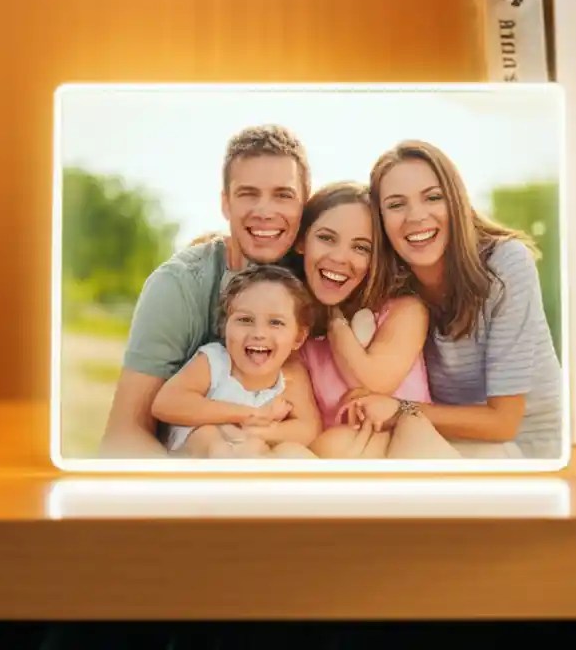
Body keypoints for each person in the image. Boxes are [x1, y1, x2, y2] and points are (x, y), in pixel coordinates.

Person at [98, 124, 320, 458]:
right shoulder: (179, 285)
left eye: (283, 195)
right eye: (248, 193)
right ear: (226, 204)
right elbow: (123, 436)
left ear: (303, 205)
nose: (264, 210)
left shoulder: (317, 278)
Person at [337, 140, 563, 459]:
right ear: (380, 219)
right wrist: (246, 253)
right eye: (396, 204)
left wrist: (401, 409)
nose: (416, 216)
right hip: (445, 442)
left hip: (526, 448)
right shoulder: (396, 290)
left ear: (455, 202)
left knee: (408, 438)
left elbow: (504, 422)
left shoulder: (506, 264)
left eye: (432, 197)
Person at [288, 181, 461, 459]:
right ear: (300, 241)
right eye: (327, 238)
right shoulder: (296, 335)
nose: (340, 258)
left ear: (376, 258)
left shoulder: (405, 311)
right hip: (349, 463)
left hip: (411, 452)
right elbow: (308, 429)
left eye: (361, 248)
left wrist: (334, 319)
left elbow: (374, 382)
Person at [151, 265, 320, 458]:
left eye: (276, 323)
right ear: (224, 326)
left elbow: (307, 428)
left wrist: (254, 432)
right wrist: (248, 414)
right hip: (199, 452)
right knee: (211, 438)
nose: (258, 334)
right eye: (245, 320)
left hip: (253, 449)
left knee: (292, 453)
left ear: (298, 337)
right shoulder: (214, 362)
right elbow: (166, 403)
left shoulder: (291, 375)